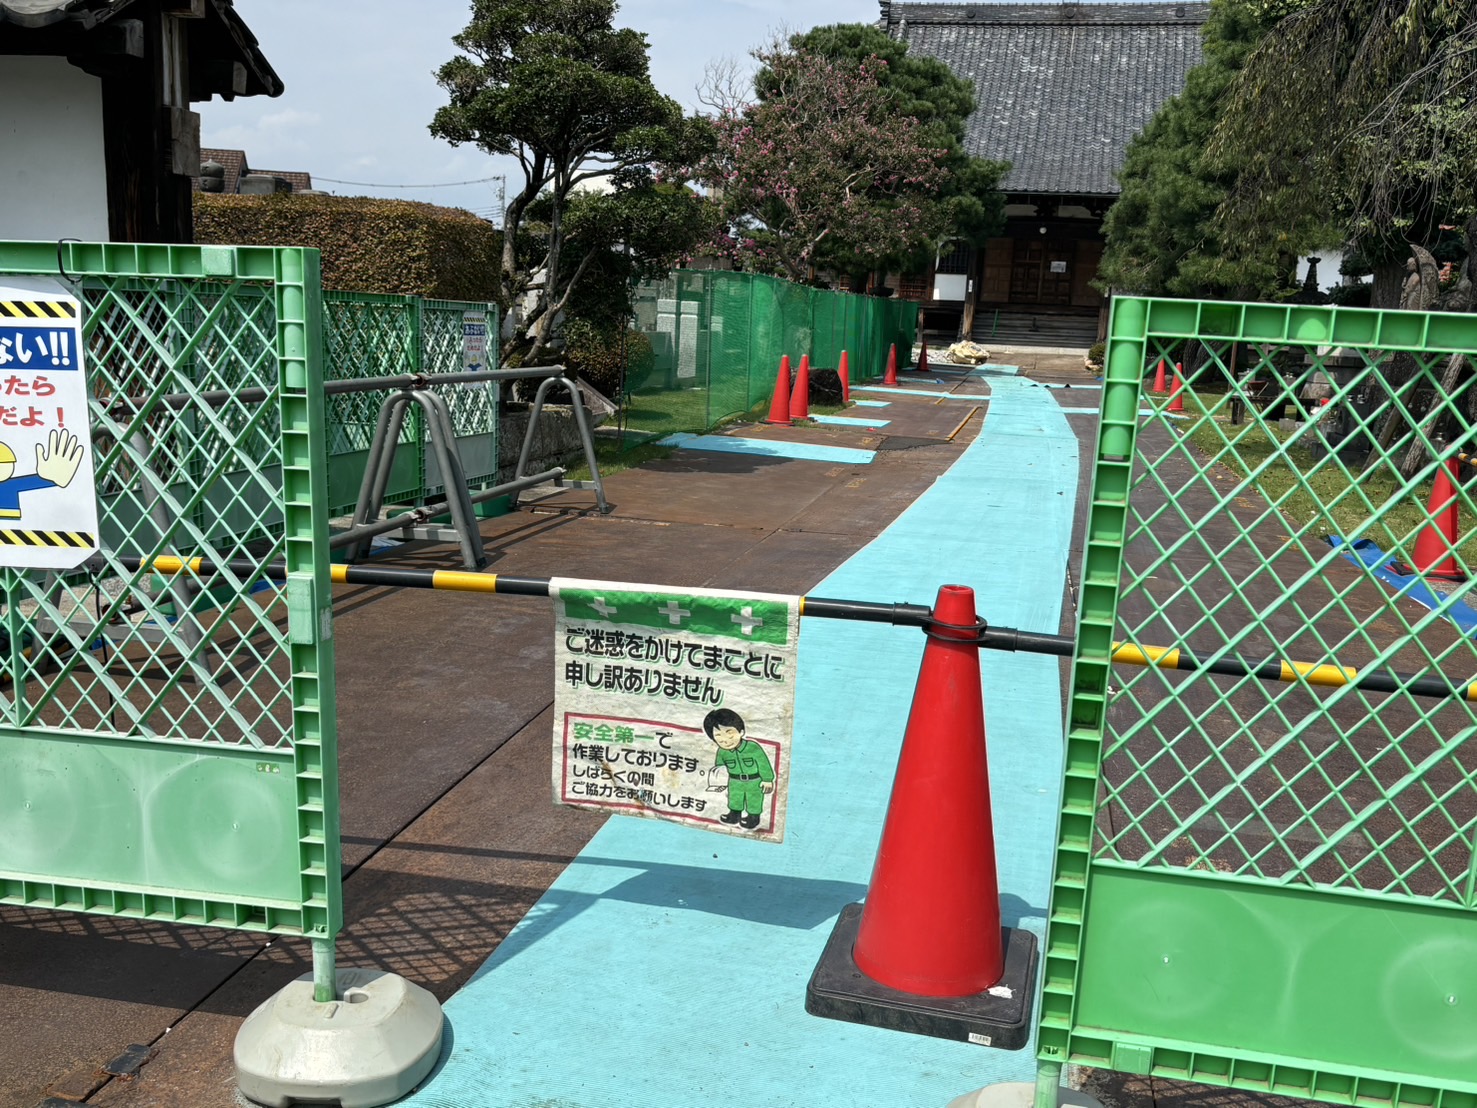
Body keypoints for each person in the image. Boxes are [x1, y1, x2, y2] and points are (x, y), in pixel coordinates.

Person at [703, 708, 774, 830]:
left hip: (754, 781)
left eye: (729, 733)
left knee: (754, 800)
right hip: (734, 781)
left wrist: (767, 779)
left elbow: (764, 763)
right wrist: (718, 782)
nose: (725, 740)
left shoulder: (753, 747)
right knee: (735, 798)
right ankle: (734, 815)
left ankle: (753, 817)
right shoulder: (722, 752)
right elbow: (719, 769)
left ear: (741, 732)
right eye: (719, 736)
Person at [0, 428, 84, 519]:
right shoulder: (12, 485)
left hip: (12, 516)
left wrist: (53, 478)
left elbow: (29, 482)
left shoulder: (12, 484)